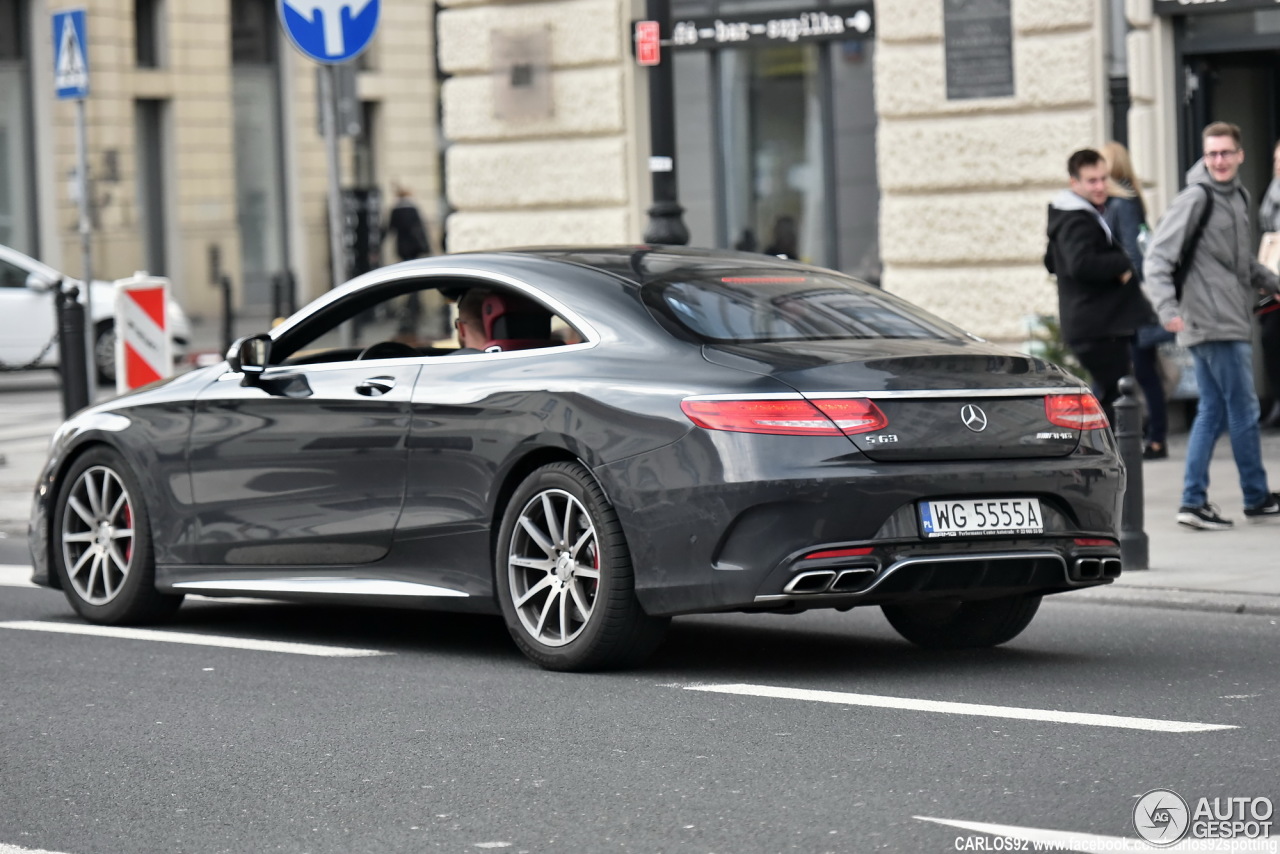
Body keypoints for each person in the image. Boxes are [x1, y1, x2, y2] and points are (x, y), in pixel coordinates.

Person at [1143, 121, 1280, 529]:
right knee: (1242, 408)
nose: (1218, 160)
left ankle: (1194, 501)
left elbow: (1240, 265)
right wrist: (1168, 309)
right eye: (1212, 153)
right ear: (1205, 157)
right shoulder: (1195, 198)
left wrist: (1273, 283)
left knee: (1213, 410)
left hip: (1230, 317)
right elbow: (1156, 259)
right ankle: (1252, 497)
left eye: (1225, 152)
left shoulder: (1237, 197)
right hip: (1210, 321)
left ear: (1239, 155)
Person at [1044, 148, 1148, 424]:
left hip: (1094, 324)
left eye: (1104, 178)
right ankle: (1107, 462)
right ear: (1074, 182)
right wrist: (1121, 263)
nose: (1101, 186)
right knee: (1115, 402)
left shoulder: (1073, 214)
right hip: (1097, 326)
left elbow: (1052, 262)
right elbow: (1080, 264)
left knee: (1109, 398)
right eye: (1092, 180)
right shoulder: (1076, 218)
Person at [1102, 140, 1169, 459]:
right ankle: (1152, 435)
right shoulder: (1124, 200)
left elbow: (1133, 253)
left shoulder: (1123, 203)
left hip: (1133, 305)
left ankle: (1156, 437)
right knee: (1142, 370)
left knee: (1142, 370)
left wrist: (1122, 287)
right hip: (1131, 305)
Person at [384, 184, 434, 336]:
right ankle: (413, 305)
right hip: (415, 248)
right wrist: (427, 247)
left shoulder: (395, 210)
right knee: (415, 279)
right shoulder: (413, 209)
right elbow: (420, 229)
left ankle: (411, 306)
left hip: (402, 248)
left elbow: (389, 229)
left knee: (408, 277)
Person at [1255, 139, 1280, 429]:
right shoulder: (1268, 196)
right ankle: (1277, 400)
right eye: (1276, 160)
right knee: (1271, 339)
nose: (1278, 165)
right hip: (1273, 280)